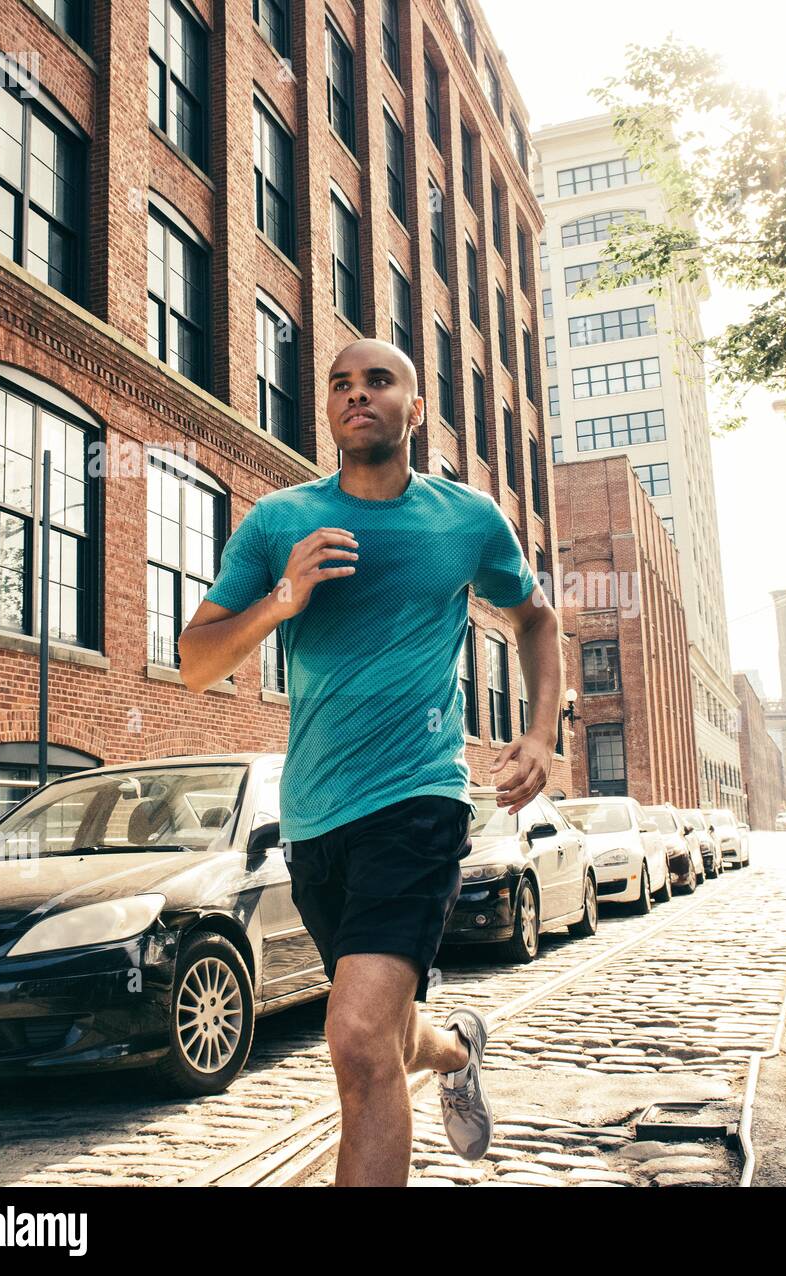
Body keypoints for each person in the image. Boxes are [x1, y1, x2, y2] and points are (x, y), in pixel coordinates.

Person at [178, 337, 563, 1186]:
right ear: (326, 409)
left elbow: (534, 618)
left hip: (419, 803)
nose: (358, 395)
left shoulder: (465, 519)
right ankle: (457, 1047)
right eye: (341, 385)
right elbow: (197, 660)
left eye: (379, 381)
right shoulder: (279, 522)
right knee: (385, 1035)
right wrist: (283, 598)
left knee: (354, 1039)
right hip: (317, 819)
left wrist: (540, 733)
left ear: (414, 409)